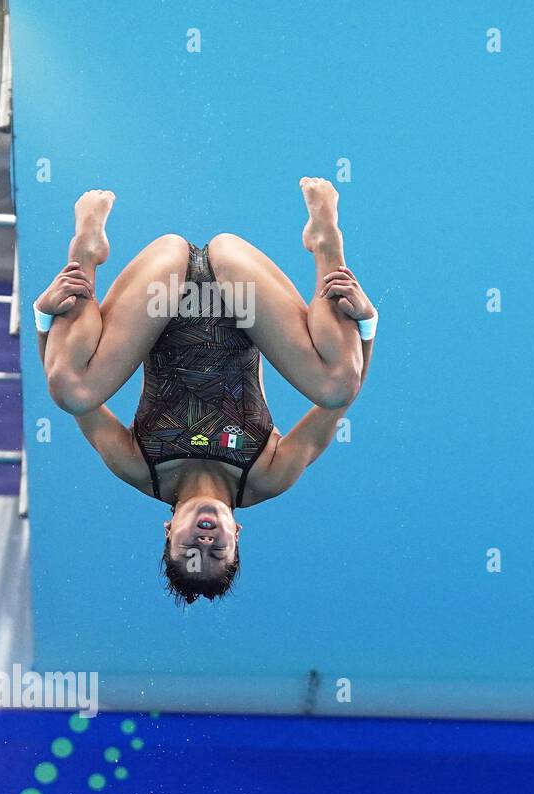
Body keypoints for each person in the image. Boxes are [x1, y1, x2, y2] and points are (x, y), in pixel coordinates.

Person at [33, 178, 378, 602]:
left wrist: (44, 321)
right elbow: (344, 398)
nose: (205, 539)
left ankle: (84, 252)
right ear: (237, 533)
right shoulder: (268, 475)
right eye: (217, 551)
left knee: (73, 390)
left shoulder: (139, 467)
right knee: (336, 384)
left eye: (190, 548)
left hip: (164, 286)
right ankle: (326, 240)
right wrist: (366, 324)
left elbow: (70, 394)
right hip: (239, 287)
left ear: (168, 531)